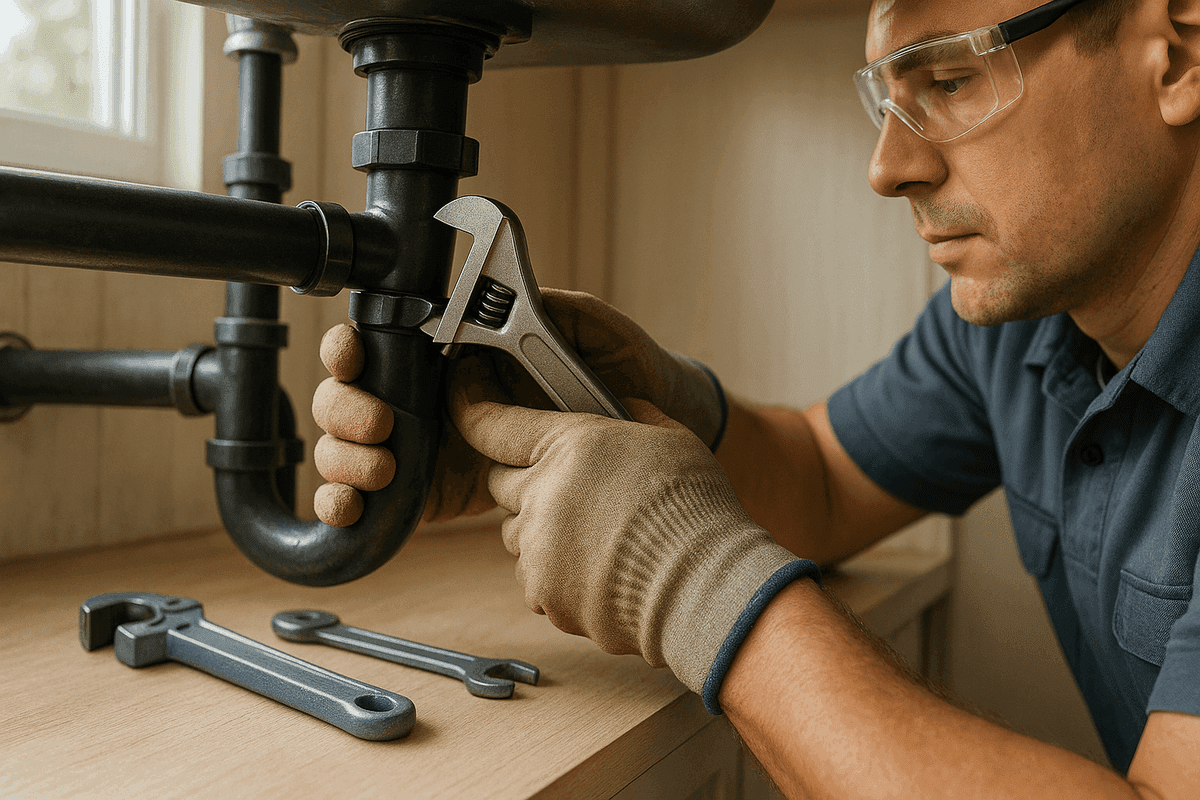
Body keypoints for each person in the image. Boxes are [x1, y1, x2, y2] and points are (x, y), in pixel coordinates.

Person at [309, 0, 1200, 795]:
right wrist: (631, 405)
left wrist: (687, 573)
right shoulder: (1016, 328)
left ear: (1180, 52)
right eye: (887, 98)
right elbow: (817, 482)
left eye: (953, 78)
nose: (888, 168)